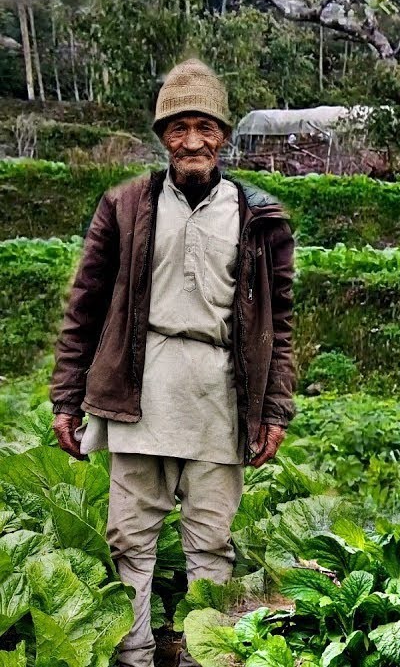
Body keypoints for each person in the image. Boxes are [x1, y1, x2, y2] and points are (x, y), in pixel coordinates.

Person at [49, 58, 297, 667]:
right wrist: (66, 396)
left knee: (211, 542)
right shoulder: (125, 206)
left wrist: (275, 409)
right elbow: (85, 306)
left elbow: (280, 321)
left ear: (224, 136)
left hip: (221, 393)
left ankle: (200, 657)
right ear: (162, 136)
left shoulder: (260, 216)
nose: (192, 141)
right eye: (178, 128)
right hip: (140, 390)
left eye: (205, 127)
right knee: (130, 539)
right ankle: (134, 654)